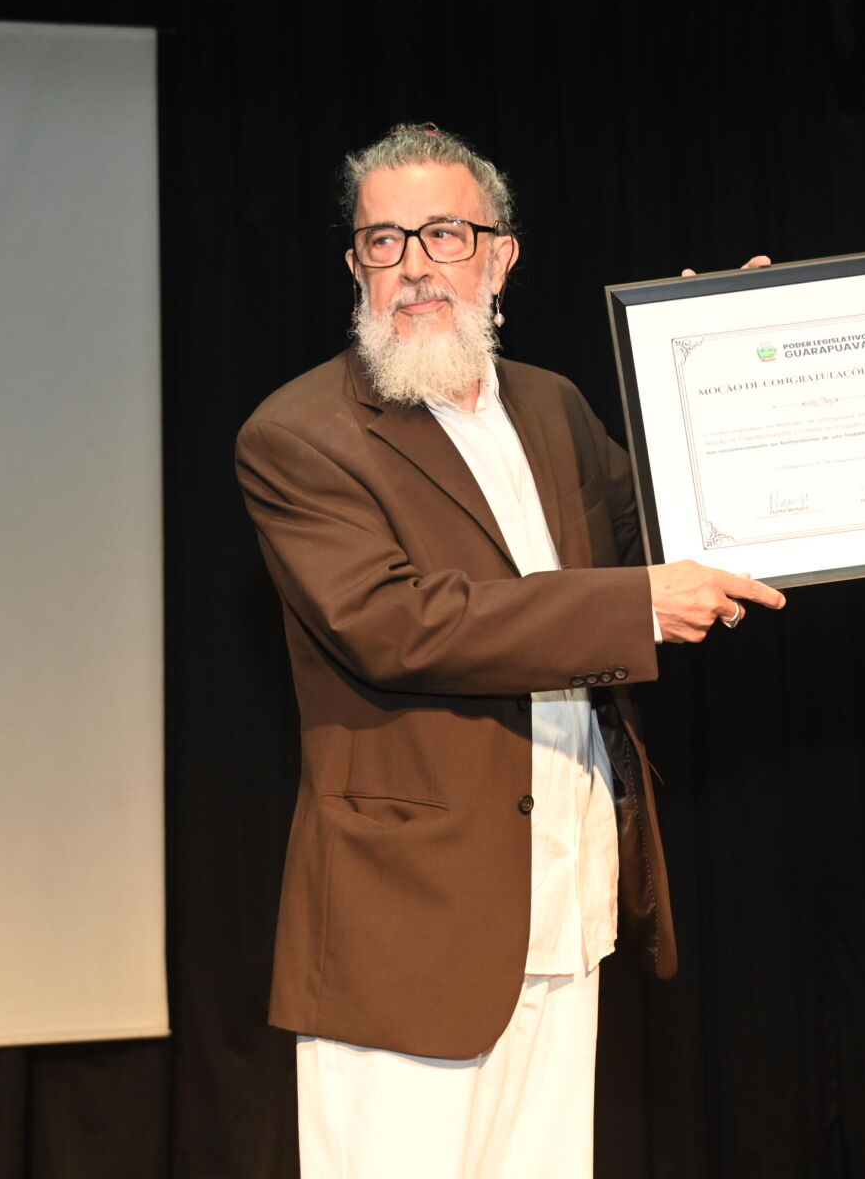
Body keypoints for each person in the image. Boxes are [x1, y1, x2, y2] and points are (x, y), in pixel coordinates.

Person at [235, 123, 784, 1179]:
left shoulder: (553, 406)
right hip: (410, 927)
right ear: (354, 265)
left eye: (444, 234)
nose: (414, 267)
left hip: (563, 902)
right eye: (384, 242)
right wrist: (634, 609)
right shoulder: (298, 434)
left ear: (501, 255)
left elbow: (669, 543)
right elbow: (397, 625)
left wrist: (717, 374)